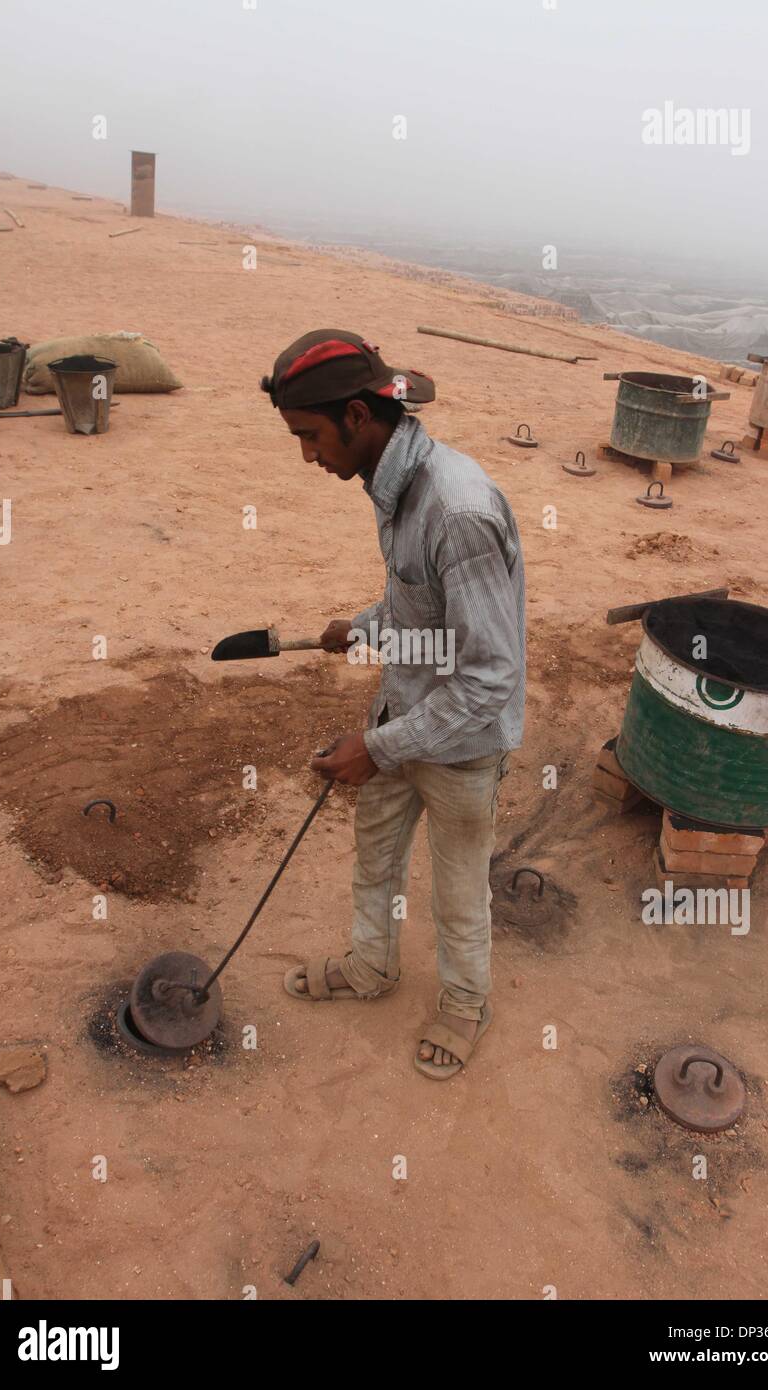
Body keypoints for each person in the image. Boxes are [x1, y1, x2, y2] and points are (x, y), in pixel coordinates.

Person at [260, 329, 525, 1079]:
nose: (307, 456)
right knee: (374, 860)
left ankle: (466, 1006)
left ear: (355, 416)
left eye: (309, 437)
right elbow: (422, 607)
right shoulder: (391, 481)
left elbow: (488, 677)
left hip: (462, 742)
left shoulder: (458, 510)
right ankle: (372, 968)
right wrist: (365, 627)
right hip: (404, 717)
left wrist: (372, 750)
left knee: (458, 891)